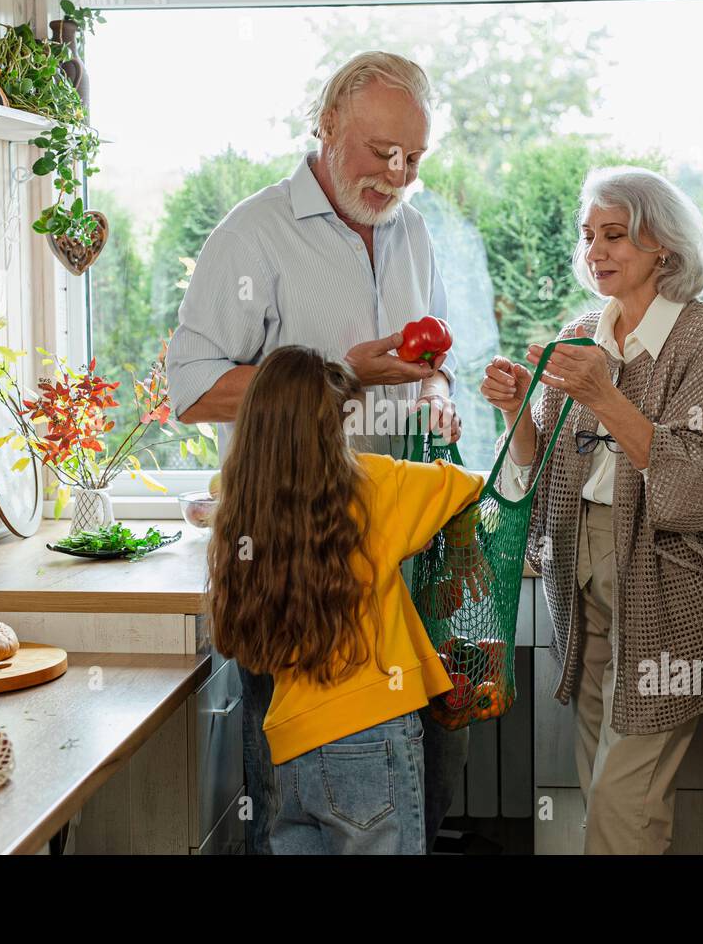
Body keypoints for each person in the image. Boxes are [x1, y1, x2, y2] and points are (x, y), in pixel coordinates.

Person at [166, 51, 466, 854]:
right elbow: (189, 389)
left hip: (401, 557)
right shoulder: (254, 234)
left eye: (414, 156)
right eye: (380, 151)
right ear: (327, 123)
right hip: (296, 557)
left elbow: (434, 366)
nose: (398, 172)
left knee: (415, 788)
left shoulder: (414, 233)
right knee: (310, 796)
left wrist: (436, 400)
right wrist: (342, 377)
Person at [479, 166, 703, 853]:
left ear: (663, 244)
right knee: (596, 767)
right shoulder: (583, 330)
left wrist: (605, 395)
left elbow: (698, 488)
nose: (595, 252)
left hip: (669, 577)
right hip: (582, 565)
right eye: (588, 237)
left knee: (618, 798)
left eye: (615, 236)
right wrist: (518, 407)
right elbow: (538, 466)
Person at [206, 346, 483, 854]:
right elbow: (469, 485)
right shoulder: (378, 484)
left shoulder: (241, 502)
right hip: (373, 738)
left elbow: (234, 488)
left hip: (290, 744)